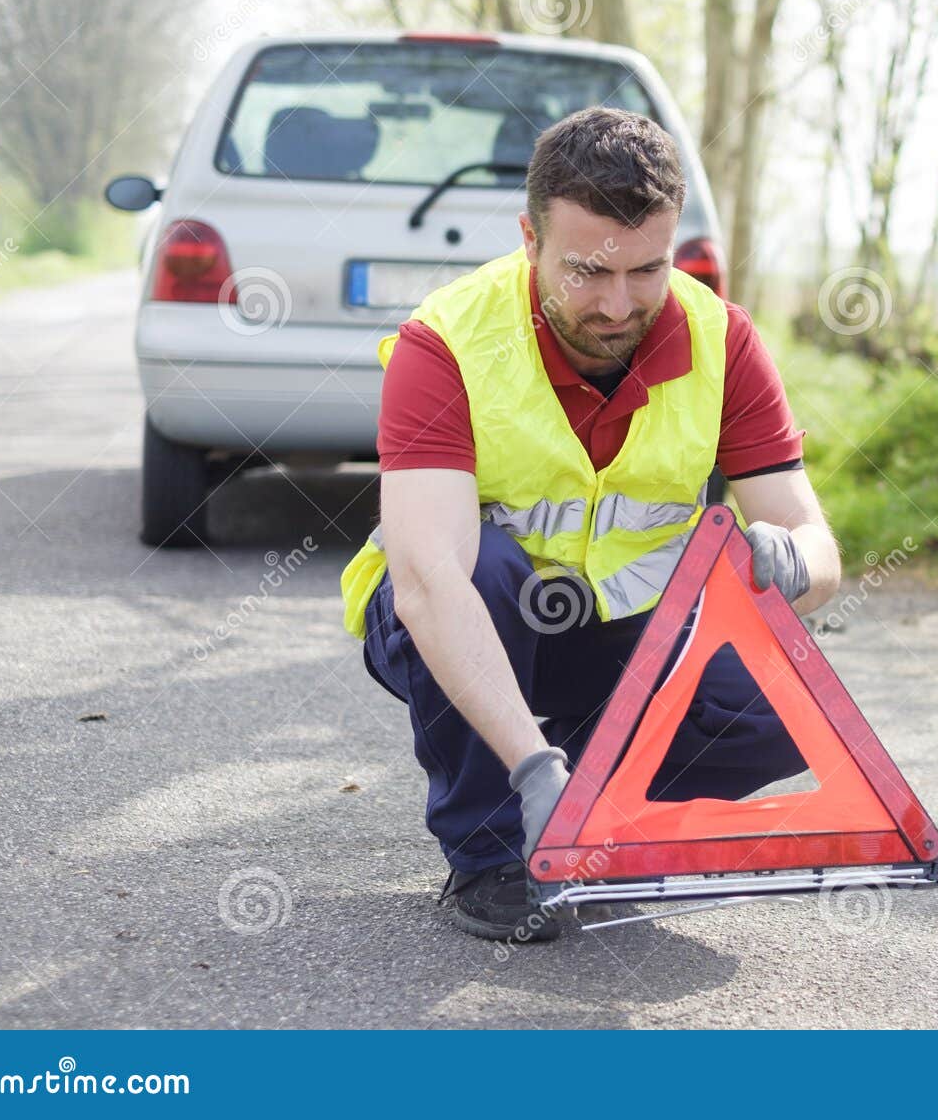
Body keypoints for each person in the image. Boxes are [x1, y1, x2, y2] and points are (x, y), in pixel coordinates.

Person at [339, 106, 841, 941]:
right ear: (530, 241)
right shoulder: (447, 343)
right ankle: (494, 848)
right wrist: (532, 770)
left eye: (646, 270)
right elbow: (429, 580)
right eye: (586, 272)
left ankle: (594, 800)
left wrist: (788, 563)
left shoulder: (722, 341)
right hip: (461, 628)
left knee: (788, 707)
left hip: (621, 645)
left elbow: (817, 546)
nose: (617, 305)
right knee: (485, 571)